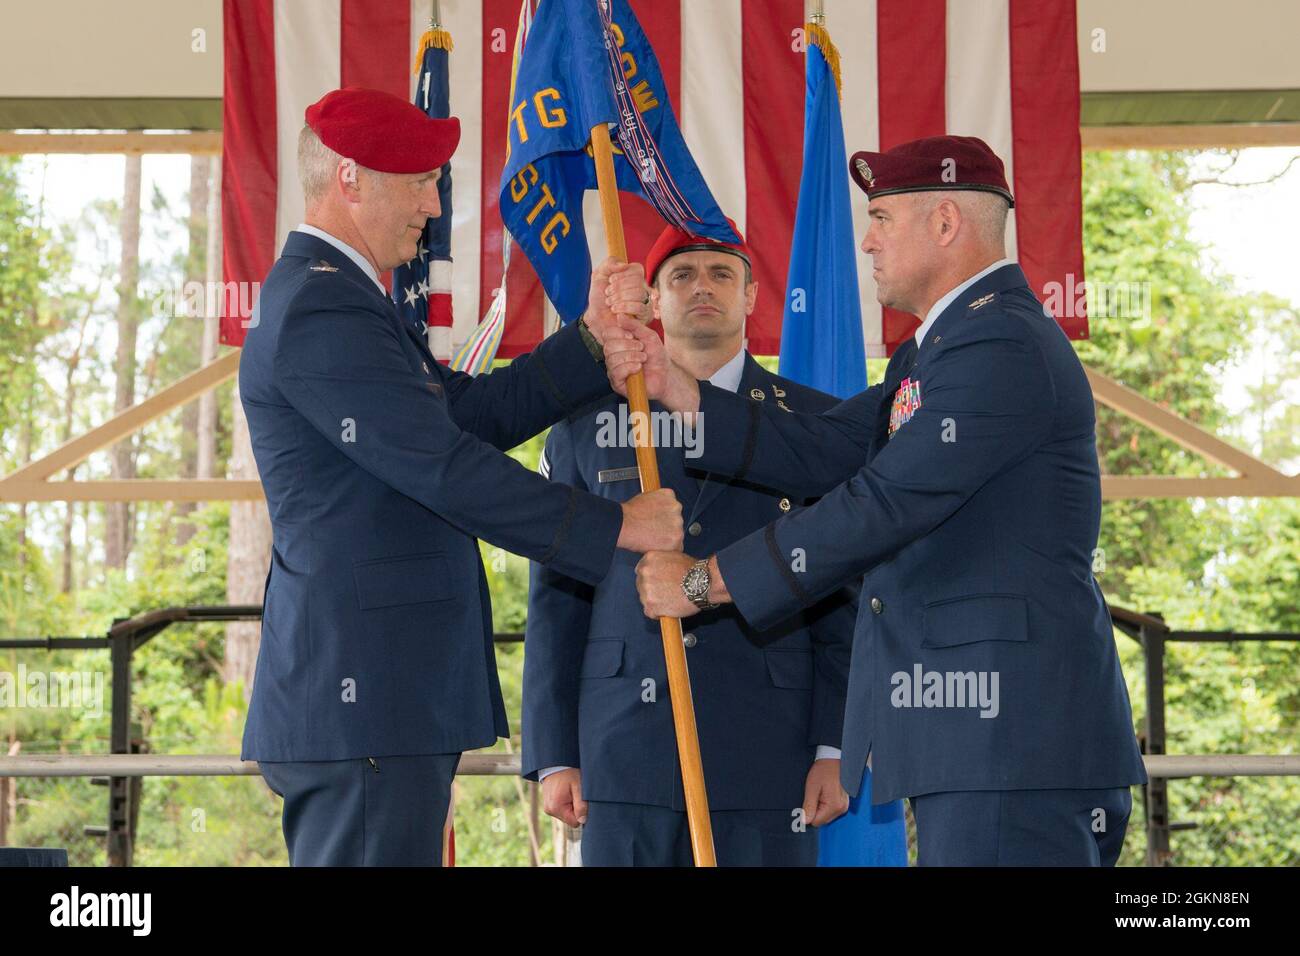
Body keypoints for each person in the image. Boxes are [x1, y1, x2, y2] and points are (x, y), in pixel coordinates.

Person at [631, 135, 1148, 866]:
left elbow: (879, 505)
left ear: (944, 224)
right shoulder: (945, 346)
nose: (867, 241)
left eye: (881, 218)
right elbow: (824, 448)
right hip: (981, 746)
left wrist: (701, 583)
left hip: (1010, 747)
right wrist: (675, 389)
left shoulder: (997, 345)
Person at [238, 86, 679, 866]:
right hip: (365, 691)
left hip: (380, 694)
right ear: (350, 179)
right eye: (415, 180)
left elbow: (458, 418)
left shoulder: (344, 299)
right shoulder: (321, 308)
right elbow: (443, 467)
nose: (432, 203)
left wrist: (588, 346)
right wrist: (617, 526)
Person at [522, 222, 854, 866]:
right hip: (622, 752)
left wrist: (832, 747)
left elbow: (839, 594)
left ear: (753, 295)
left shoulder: (813, 423)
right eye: (682, 275)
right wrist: (555, 752)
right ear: (651, 298)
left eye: (722, 274)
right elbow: (556, 599)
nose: (703, 287)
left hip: (766, 748)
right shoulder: (586, 428)